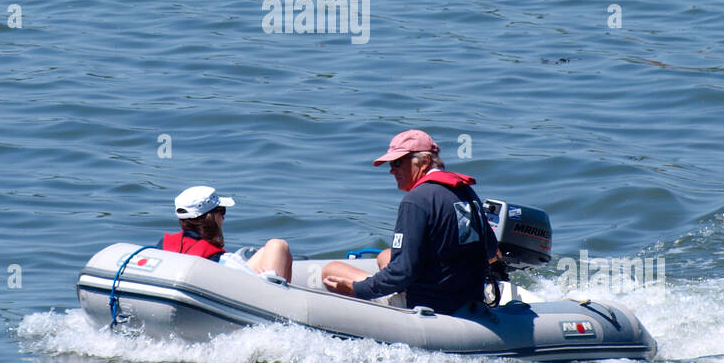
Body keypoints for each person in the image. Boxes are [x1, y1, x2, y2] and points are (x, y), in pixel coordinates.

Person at [321, 130, 498, 313]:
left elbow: (403, 273)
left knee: (331, 270)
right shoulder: (465, 192)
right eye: (391, 164)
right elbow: (491, 250)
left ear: (424, 161)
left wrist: (357, 289)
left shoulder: (416, 200)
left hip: (429, 307)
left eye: (398, 162)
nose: (391, 170)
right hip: (468, 301)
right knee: (385, 256)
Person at [162, 185, 293, 282]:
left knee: (266, 251)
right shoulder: (221, 260)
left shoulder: (163, 246)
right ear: (210, 217)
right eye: (222, 211)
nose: (223, 218)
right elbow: (259, 287)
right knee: (278, 245)